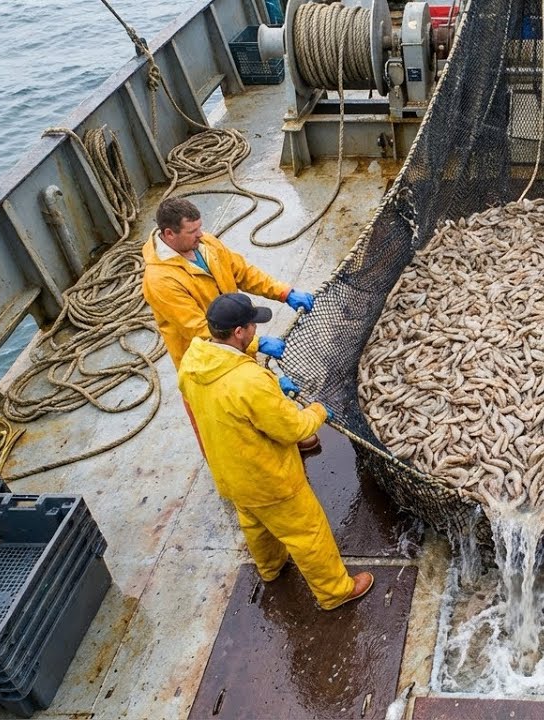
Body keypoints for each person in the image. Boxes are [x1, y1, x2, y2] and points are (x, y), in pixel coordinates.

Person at [178, 293, 372, 611]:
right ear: (238, 332)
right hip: (267, 479)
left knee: (255, 524)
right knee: (308, 532)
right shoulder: (249, 381)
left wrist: (267, 386)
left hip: (229, 473)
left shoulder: (192, 362)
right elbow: (293, 429)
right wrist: (318, 410)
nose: (255, 329)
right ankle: (335, 592)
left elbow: (220, 402)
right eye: (252, 326)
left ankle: (270, 568)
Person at [141, 197, 315, 368]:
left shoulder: (207, 243)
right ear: (169, 234)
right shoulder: (160, 281)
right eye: (192, 231)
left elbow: (243, 273)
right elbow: (198, 329)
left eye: (200, 227)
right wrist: (254, 343)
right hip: (207, 364)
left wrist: (284, 292)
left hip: (238, 340)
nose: (200, 234)